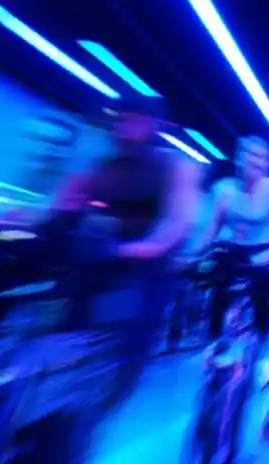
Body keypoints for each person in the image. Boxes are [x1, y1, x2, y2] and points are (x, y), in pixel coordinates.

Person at [45, 93, 199, 456]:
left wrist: (143, 248)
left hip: (145, 268)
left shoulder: (175, 168)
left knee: (123, 365)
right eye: (120, 118)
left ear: (151, 126)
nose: (124, 127)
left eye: (133, 119)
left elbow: (176, 224)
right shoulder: (99, 167)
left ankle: (85, 421)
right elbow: (60, 207)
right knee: (62, 336)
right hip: (98, 262)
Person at [200, 135, 269, 341]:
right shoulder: (222, 189)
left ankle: (259, 342)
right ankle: (214, 342)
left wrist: (261, 260)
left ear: (268, 164)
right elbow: (209, 231)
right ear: (238, 158)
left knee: (261, 300)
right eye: (248, 155)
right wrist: (200, 258)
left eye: (260, 157)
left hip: (265, 251)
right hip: (230, 250)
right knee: (218, 293)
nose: (254, 161)